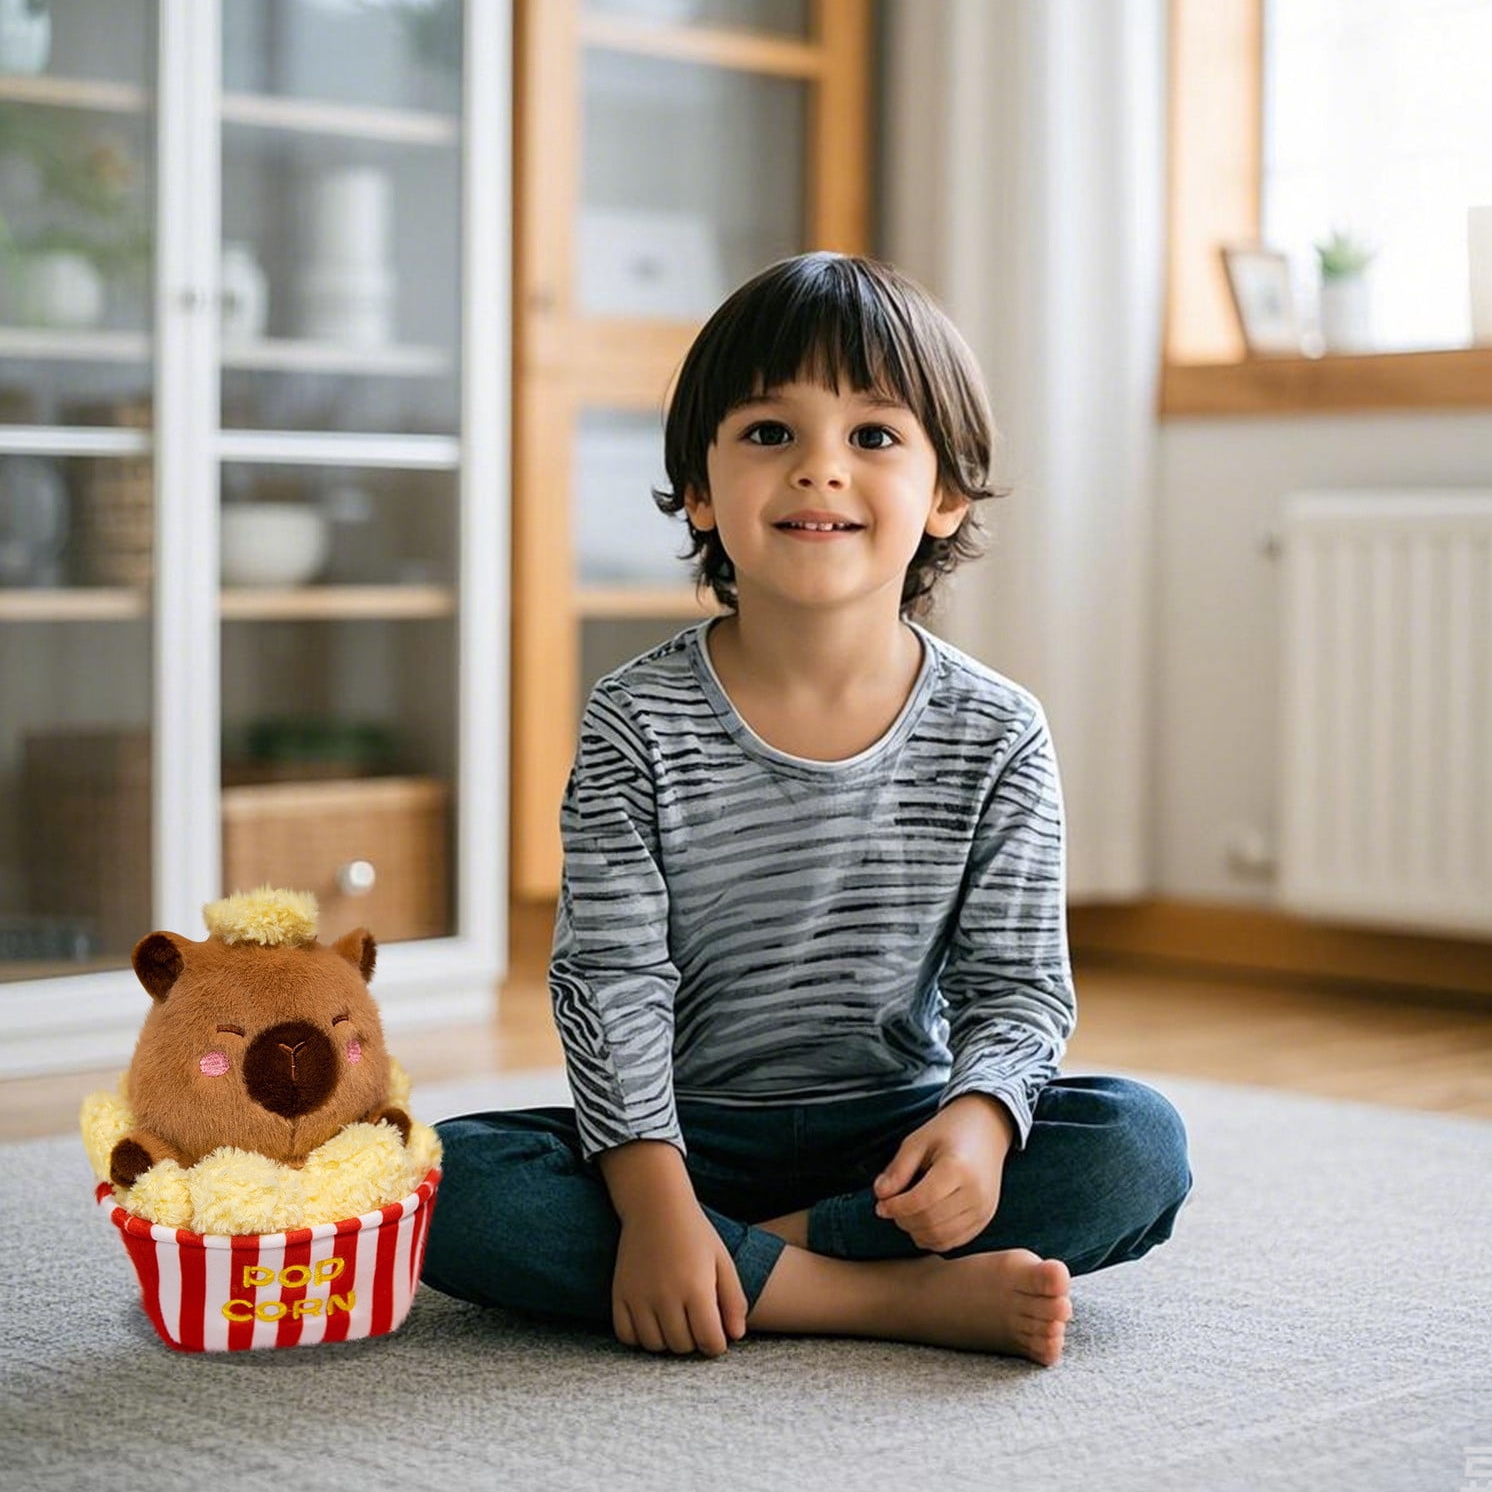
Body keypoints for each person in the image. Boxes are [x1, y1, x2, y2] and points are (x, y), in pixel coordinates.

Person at [422, 253, 1191, 1367]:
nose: (819, 471)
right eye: (770, 433)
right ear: (698, 486)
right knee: (439, 1181)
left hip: (899, 1139)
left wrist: (977, 1127)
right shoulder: (634, 718)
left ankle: (747, 1267)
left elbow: (1017, 992)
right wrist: (655, 1204)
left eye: (873, 437)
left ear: (944, 495)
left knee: (1135, 1146)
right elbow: (610, 983)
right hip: (682, 1140)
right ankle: (891, 1299)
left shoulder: (997, 731)